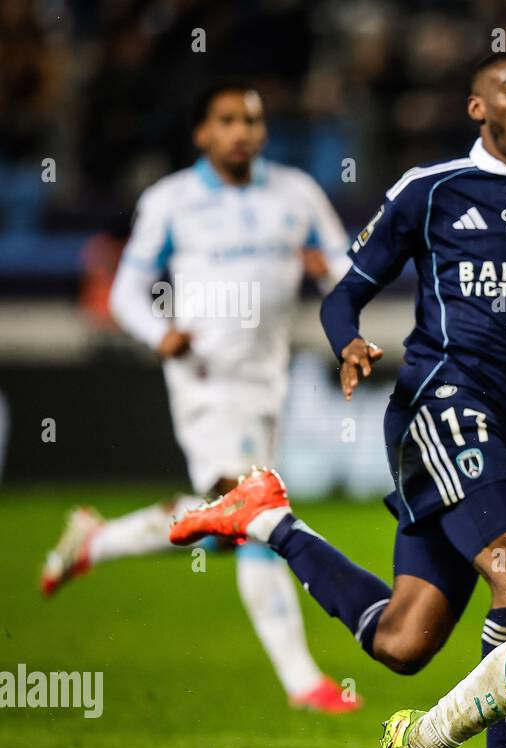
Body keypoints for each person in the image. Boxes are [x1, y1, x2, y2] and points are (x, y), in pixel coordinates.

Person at [169, 52, 506, 748]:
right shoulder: (431, 192)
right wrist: (349, 343)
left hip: (505, 422)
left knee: (403, 641)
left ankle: (268, 520)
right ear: (477, 107)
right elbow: (346, 292)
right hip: (439, 405)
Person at [41, 81, 358, 713]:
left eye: (253, 120)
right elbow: (128, 290)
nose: (243, 130)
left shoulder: (295, 193)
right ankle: (303, 682)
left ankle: (95, 541)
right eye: (228, 120)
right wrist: (161, 335)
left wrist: (330, 276)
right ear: (202, 133)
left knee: (225, 522)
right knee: (250, 512)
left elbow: (346, 267)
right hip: (206, 379)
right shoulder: (172, 199)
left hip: (268, 378)